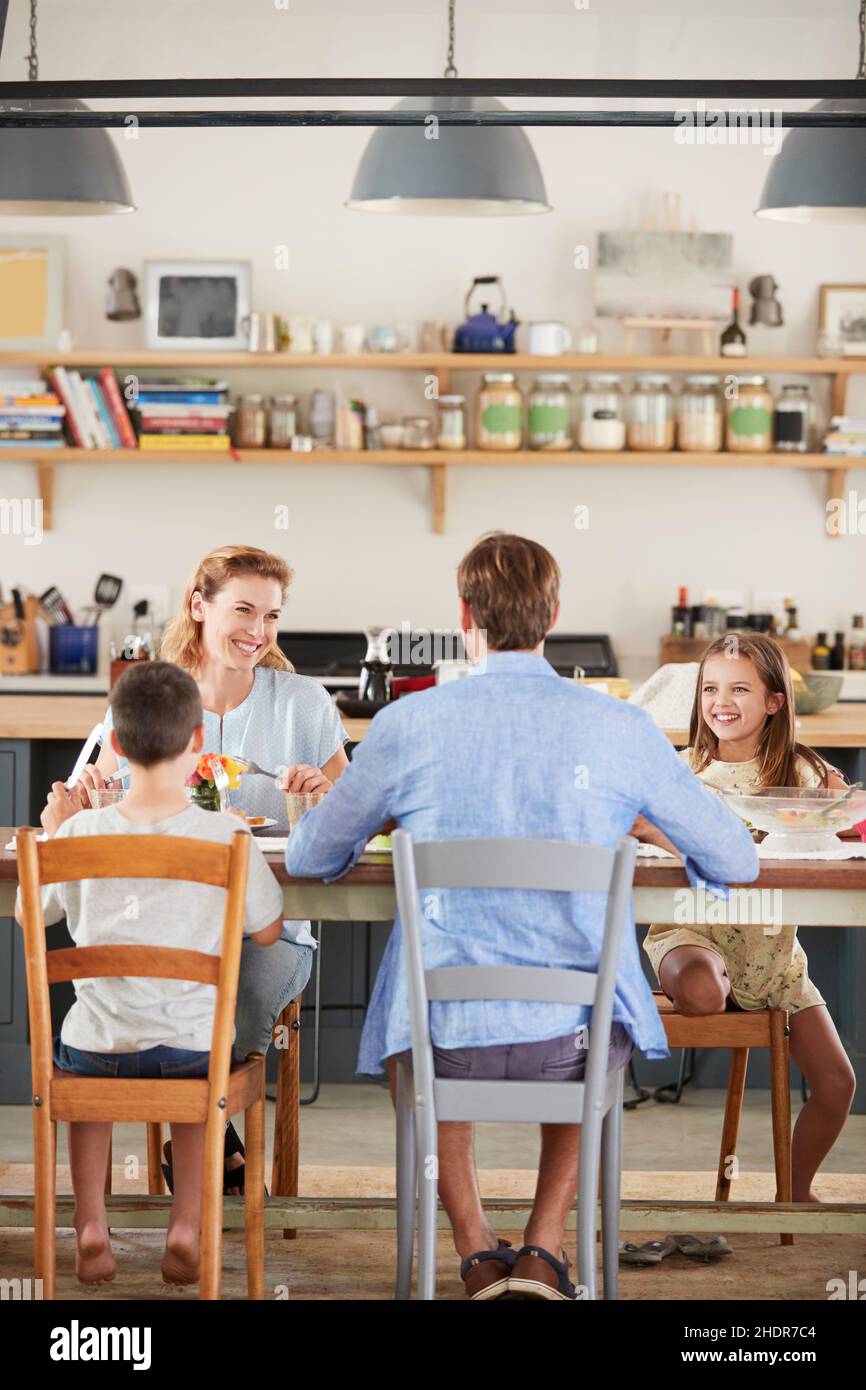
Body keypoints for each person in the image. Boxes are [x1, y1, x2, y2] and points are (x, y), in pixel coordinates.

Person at [284, 531, 759, 1301]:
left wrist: (365, 821)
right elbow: (736, 860)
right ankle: (542, 1252)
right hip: (567, 1044)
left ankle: (475, 1253)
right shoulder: (621, 727)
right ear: (554, 615)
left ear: (464, 615)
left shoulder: (407, 726)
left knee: (429, 1016)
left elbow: (308, 859)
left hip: (448, 1048)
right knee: (595, 1024)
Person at [51, 544, 349, 1192]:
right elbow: (90, 791)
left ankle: (209, 1138)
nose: (259, 632)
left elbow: (351, 820)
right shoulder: (152, 697)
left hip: (268, 925)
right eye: (243, 609)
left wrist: (321, 800)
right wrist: (88, 797)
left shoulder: (303, 703)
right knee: (144, 977)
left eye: (271, 616)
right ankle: (214, 1138)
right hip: (162, 922)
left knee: (243, 980)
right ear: (199, 606)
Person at [17, 662, 284, 1286]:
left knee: (88, 1065)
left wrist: (55, 835)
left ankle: (89, 1224)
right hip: (192, 1052)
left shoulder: (80, 832)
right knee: (198, 1100)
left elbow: (34, 920)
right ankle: (186, 1225)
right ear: (199, 743)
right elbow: (269, 932)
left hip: (98, 1050)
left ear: (114, 745)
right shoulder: (226, 834)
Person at [641, 633, 857, 1202]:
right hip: (692, 930)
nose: (721, 701)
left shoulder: (803, 777)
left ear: (774, 701)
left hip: (773, 960)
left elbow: (837, 834)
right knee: (703, 992)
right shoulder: (679, 773)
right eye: (711, 688)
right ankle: (702, 980)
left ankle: (795, 1190)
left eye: (740, 688)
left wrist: (836, 807)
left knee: (837, 1083)